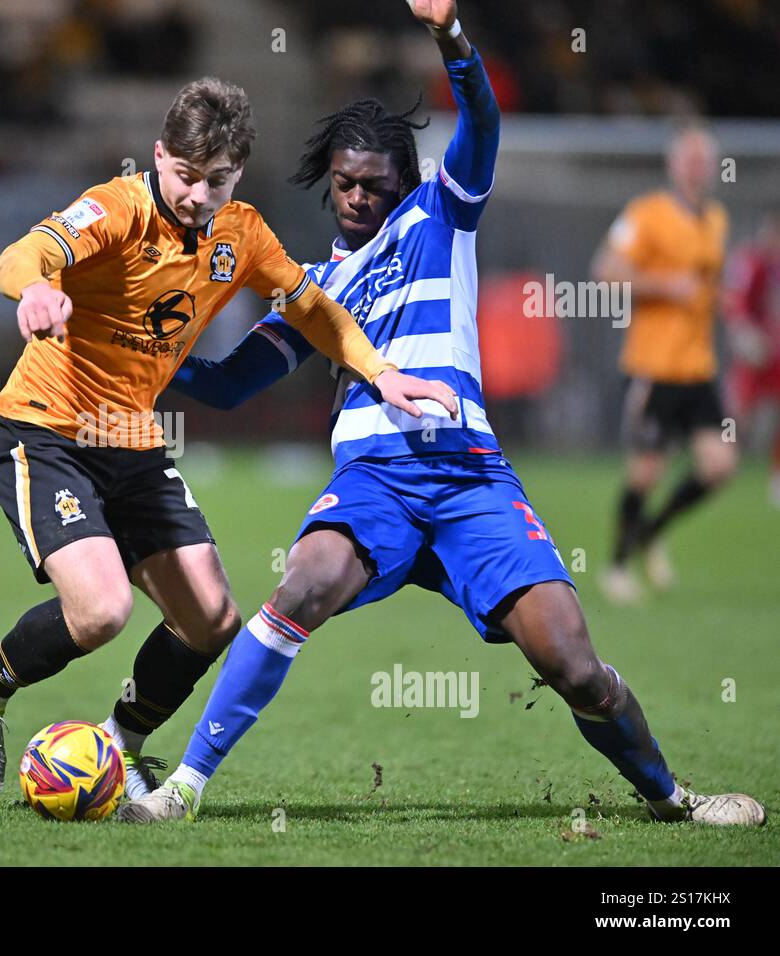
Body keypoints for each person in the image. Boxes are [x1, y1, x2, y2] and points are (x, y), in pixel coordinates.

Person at [118, 0, 764, 828]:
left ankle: (673, 799)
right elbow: (233, 384)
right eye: (345, 183)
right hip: (375, 483)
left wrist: (450, 37)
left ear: (405, 185)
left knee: (572, 665)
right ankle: (185, 789)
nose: (356, 197)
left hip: (468, 479)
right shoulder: (317, 291)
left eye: (374, 186)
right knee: (303, 583)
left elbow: (483, 119)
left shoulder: (442, 217)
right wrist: (145, 359)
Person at [0, 74, 457, 801]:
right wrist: (33, 289)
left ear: (238, 172)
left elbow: (314, 310)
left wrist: (381, 372)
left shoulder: (241, 233)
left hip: (132, 440)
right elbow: (20, 255)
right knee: (100, 613)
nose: (198, 195)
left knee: (212, 619)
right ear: (159, 158)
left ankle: (118, 748)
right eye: (185, 176)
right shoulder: (117, 209)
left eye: (216, 180)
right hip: (45, 431)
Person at [592, 125, 732, 603]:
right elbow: (606, 269)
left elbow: (709, 289)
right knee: (646, 470)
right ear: (674, 165)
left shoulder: (715, 219)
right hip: (654, 365)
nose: (696, 167)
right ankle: (615, 564)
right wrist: (664, 285)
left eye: (703, 159)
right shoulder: (646, 213)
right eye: (688, 158)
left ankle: (650, 532)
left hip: (700, 367)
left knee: (719, 465)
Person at [722, 212, 780, 507]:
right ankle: (724, 466)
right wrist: (745, 337)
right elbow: (735, 304)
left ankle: (776, 473)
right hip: (755, 351)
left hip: (777, 353)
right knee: (739, 411)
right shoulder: (750, 262)